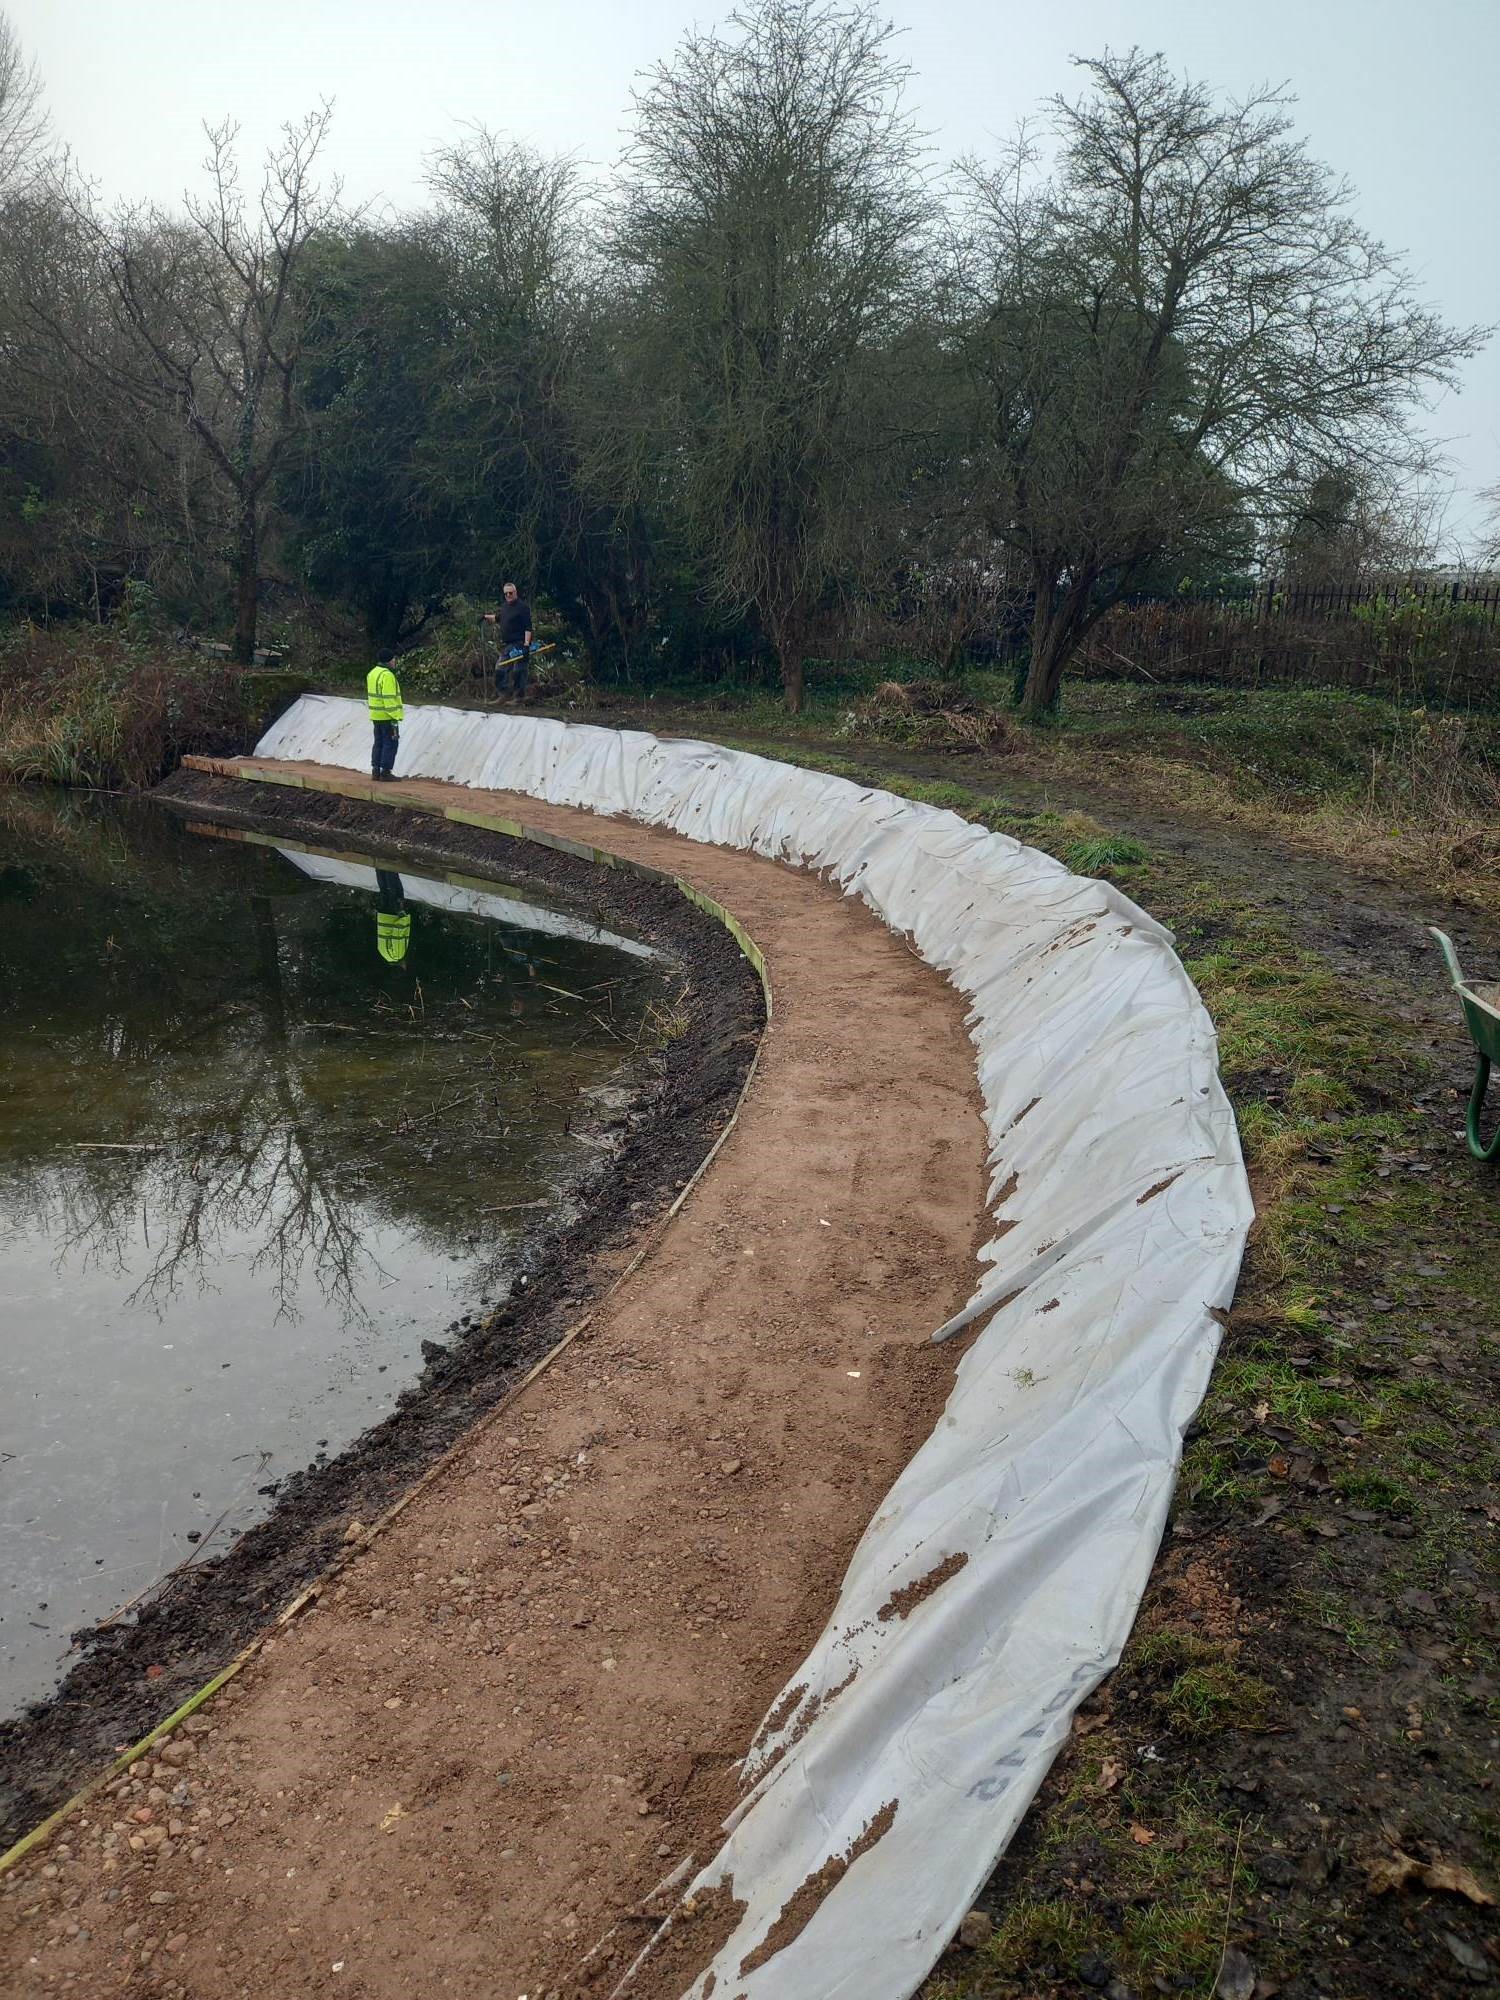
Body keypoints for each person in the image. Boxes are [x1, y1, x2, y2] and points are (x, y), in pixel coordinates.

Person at [483, 582, 534, 699]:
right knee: (500, 669)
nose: (508, 595)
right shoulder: (505, 606)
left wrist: (526, 644)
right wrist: (486, 617)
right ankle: (504, 694)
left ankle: (518, 698)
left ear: (515, 592)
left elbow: (528, 627)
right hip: (508, 645)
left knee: (518, 671)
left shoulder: (523, 607)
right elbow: (499, 618)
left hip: (520, 644)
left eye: (511, 593)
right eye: (506, 593)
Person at [366, 655, 403, 780]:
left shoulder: (372, 673)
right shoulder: (387, 675)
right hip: (388, 716)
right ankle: (386, 772)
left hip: (376, 716)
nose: (394, 661)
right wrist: (395, 716)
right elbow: (389, 698)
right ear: (388, 660)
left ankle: (375, 771)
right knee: (391, 743)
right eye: (393, 659)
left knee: (379, 742)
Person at [374, 869, 411, 964]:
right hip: (383, 917)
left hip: (393, 917)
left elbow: (398, 934)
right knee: (384, 890)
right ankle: (379, 867)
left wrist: (402, 917)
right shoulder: (384, 955)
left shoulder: (398, 955)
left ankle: (390, 866)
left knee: (395, 890)